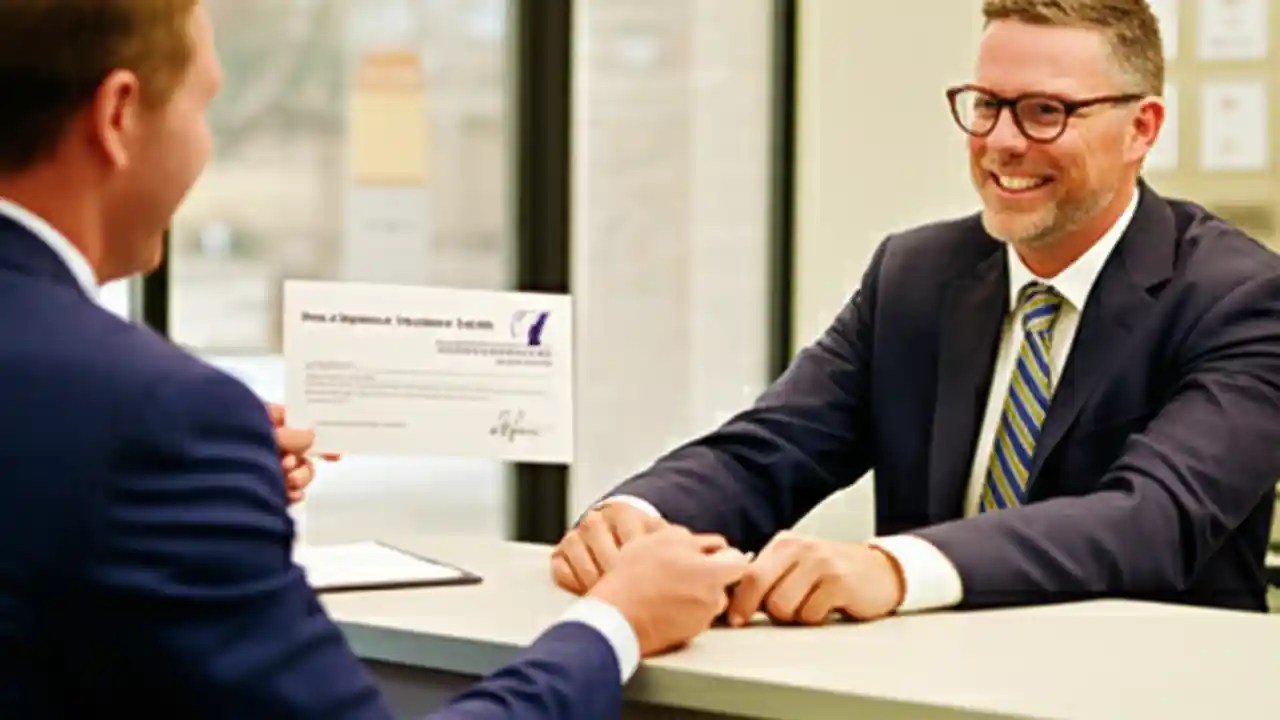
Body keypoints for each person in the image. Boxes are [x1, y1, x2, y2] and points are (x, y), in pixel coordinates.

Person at [0, 1, 749, 718]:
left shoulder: (143, 428)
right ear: (118, 116)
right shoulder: (158, 422)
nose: (206, 147)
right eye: (203, 108)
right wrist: (615, 623)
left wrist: (201, 481)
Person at [554, 0, 1280, 623]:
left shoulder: (1239, 299)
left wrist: (896, 570)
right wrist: (638, 517)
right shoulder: (915, 276)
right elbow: (772, 448)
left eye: (1045, 112)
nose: (1001, 141)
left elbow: (1149, 522)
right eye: (987, 104)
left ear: (1142, 129)